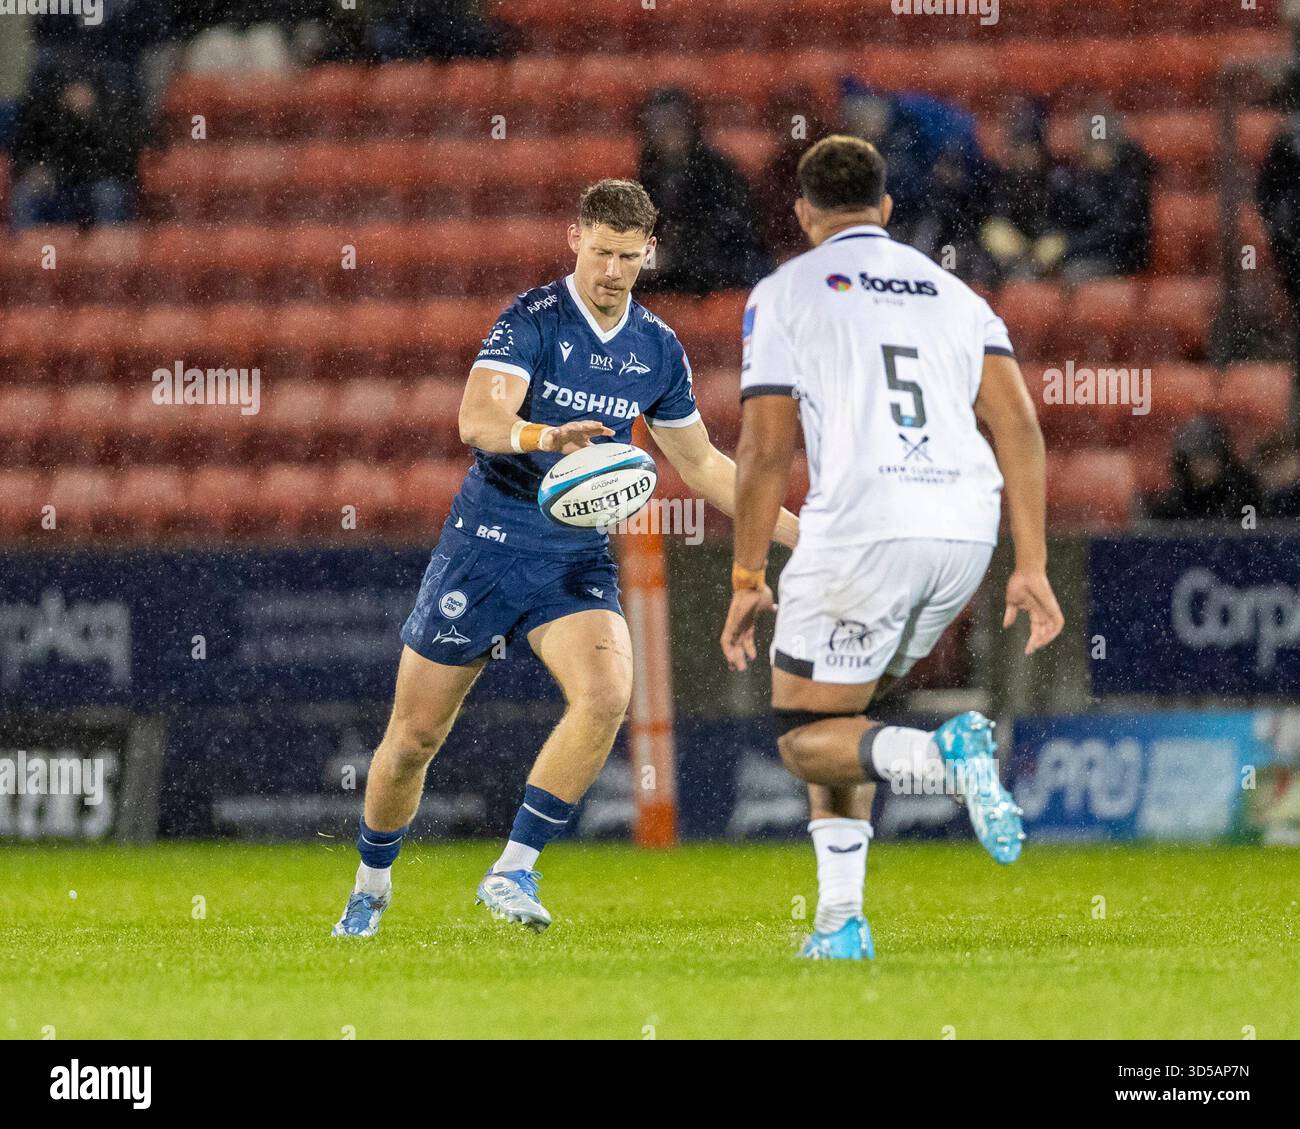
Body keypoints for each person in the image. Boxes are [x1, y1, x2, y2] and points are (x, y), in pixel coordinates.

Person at [333, 179, 799, 937]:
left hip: (573, 554)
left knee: (608, 690)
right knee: (413, 739)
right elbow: (475, 420)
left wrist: (799, 533)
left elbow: (706, 465)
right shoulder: (533, 321)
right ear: (574, 239)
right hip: (485, 544)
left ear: (649, 254)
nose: (613, 269)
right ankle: (372, 880)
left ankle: (514, 867)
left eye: (628, 256)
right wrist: (546, 437)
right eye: (601, 252)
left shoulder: (656, 348)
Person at [719, 136, 1064, 960]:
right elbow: (1017, 423)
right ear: (886, 209)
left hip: (867, 524)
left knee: (803, 732)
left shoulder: (785, 290)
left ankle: (944, 756)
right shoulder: (955, 292)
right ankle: (841, 922)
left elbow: (766, 448)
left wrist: (745, 572)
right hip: (964, 528)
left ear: (803, 215)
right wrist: (1032, 563)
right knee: (845, 718)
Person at [635, 87, 772, 294]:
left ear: (691, 125)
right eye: (660, 126)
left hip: (720, 268)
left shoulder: (718, 171)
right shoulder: (651, 175)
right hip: (678, 272)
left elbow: (730, 232)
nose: (669, 132)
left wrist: (673, 254)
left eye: (675, 123)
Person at [1145, 416, 1260, 522]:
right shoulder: (1170, 508)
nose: (1204, 466)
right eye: (1197, 458)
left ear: (1223, 460)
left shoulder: (1246, 498)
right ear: (1185, 464)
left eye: (1211, 457)